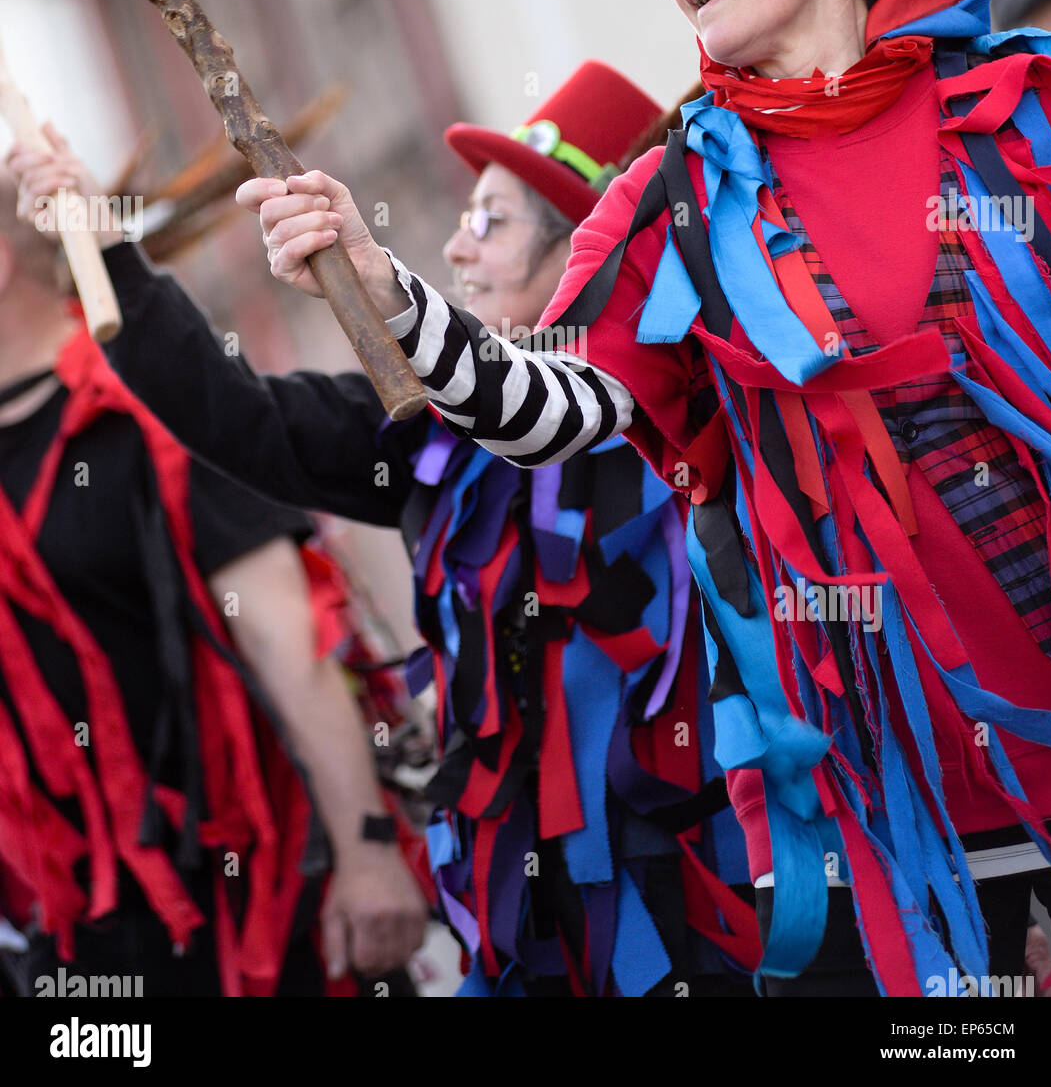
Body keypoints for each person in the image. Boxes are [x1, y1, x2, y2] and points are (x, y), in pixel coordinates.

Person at [170, 0, 1051, 998]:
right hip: (893, 824)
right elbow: (558, 408)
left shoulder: (1027, 116)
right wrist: (385, 290)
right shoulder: (677, 195)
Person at [11, 63, 761, 996]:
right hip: (537, 934)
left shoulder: (691, 432)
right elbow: (230, 414)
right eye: (463, 214)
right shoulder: (426, 438)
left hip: (723, 911)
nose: (454, 247)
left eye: (490, 222)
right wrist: (105, 245)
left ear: (585, 257)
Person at [0, 159, 427, 997]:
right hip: (80, 930)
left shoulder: (145, 405)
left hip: (260, 905)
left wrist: (368, 851)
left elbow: (287, 633)